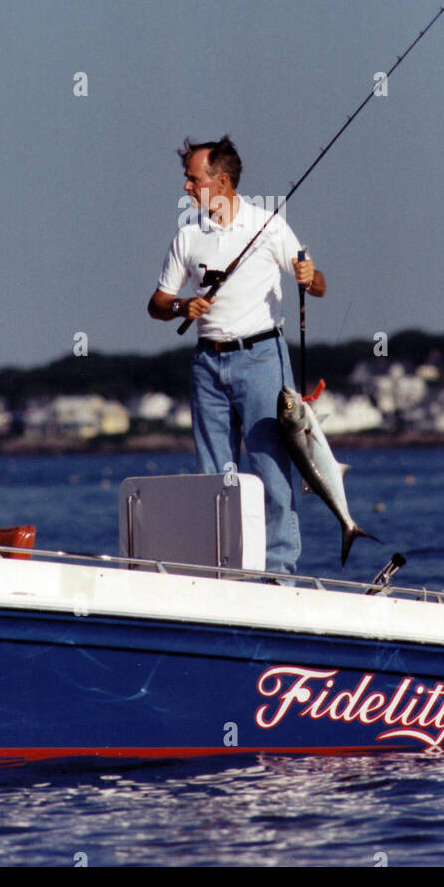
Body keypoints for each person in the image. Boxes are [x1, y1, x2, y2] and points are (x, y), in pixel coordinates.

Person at [148, 137, 325, 574]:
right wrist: (179, 308)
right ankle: (220, 571)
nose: (187, 187)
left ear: (220, 180)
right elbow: (157, 303)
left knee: (271, 473)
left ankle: (278, 573)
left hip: (263, 358)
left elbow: (317, 283)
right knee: (213, 476)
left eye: (193, 178)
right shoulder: (187, 235)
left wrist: (308, 274)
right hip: (207, 363)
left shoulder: (269, 226)